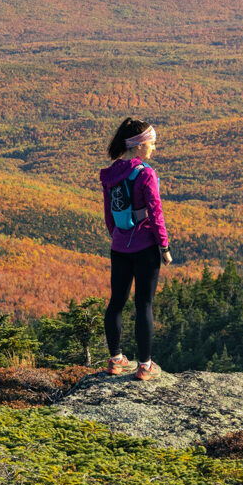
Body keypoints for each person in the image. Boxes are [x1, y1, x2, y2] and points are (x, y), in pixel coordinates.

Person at [99, 117, 172, 379]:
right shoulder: (145, 173)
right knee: (144, 305)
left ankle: (115, 360)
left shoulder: (111, 173)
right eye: (151, 143)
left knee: (116, 302)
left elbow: (109, 212)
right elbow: (156, 212)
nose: (153, 147)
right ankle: (144, 365)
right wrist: (163, 246)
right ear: (139, 145)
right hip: (145, 247)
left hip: (119, 246)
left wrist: (117, 236)